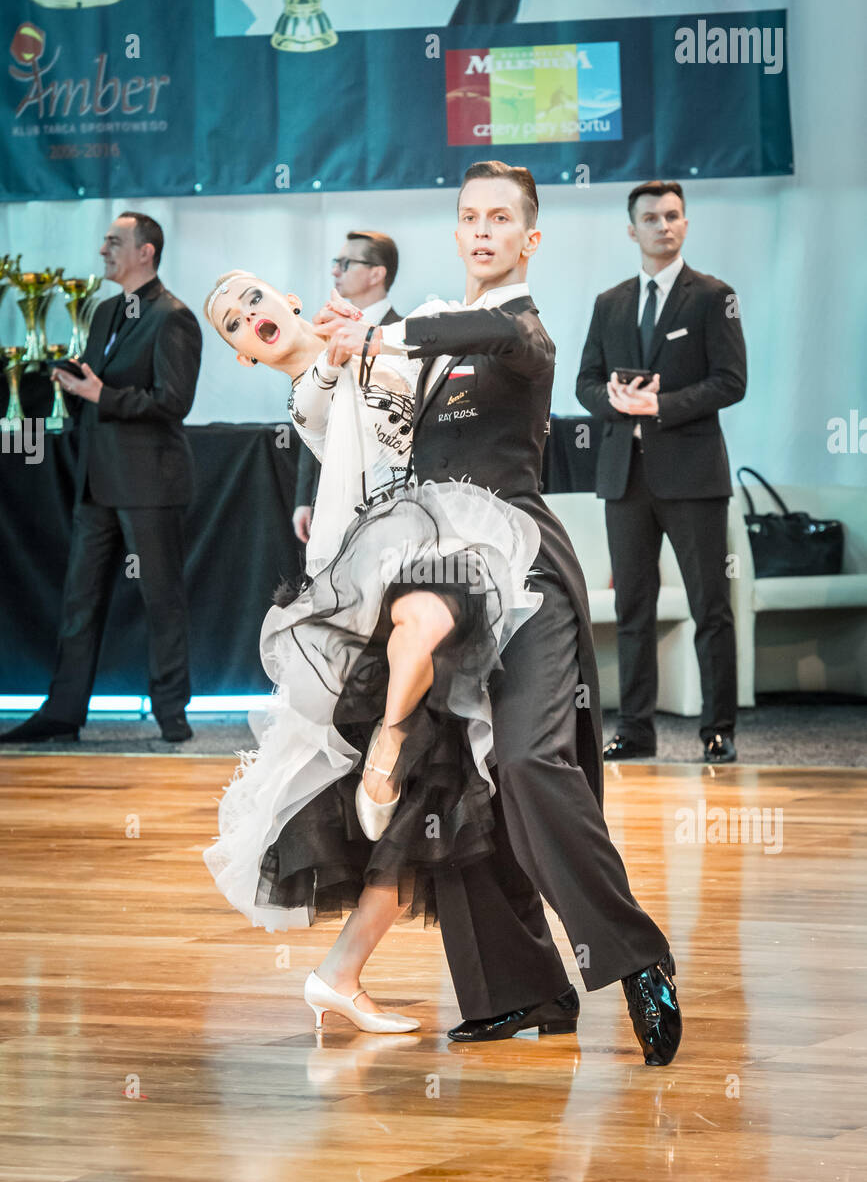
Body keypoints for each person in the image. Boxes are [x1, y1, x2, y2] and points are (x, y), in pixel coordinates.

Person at [316, 160, 682, 1065]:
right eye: (468, 216)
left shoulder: (523, 331)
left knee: (525, 762)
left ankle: (635, 956)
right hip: (438, 573)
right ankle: (519, 993)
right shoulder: (427, 348)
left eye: (499, 219)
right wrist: (315, 351)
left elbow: (463, 325)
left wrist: (375, 330)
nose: (481, 230)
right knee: (452, 788)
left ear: (530, 237)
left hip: (522, 575)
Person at [201, 270, 543, 1035]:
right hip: (374, 581)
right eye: (232, 322)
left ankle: (341, 971)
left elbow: (440, 364)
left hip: (440, 549)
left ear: (289, 298)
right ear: (242, 357)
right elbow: (322, 391)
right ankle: (384, 756)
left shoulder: (375, 345)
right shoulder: (307, 391)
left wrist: (376, 333)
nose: (249, 315)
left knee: (440, 787)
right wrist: (344, 344)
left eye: (254, 297)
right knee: (421, 756)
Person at [0, 212, 201, 746]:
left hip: (149, 483)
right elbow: (99, 382)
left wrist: (101, 396)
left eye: (115, 242)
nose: (103, 251)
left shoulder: (174, 317)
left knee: (162, 600)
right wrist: (69, 380)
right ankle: (63, 711)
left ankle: (172, 716)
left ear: (146, 252)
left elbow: (173, 402)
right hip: (97, 480)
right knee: (78, 600)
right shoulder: (106, 310)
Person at [576, 180, 747, 764]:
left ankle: (717, 728)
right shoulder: (611, 302)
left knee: (710, 608)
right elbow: (585, 383)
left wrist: (660, 404)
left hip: (694, 477)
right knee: (632, 611)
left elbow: (731, 381)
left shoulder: (712, 296)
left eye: (673, 216)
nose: (663, 226)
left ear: (686, 224)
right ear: (633, 230)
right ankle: (637, 729)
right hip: (625, 476)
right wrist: (615, 400)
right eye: (651, 218)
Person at [293, 230, 401, 547]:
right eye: (335, 261)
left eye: (346, 262)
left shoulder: (399, 335)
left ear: (376, 274)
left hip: (387, 492)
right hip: (330, 493)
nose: (335, 271)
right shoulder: (327, 333)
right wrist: (305, 498)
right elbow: (312, 416)